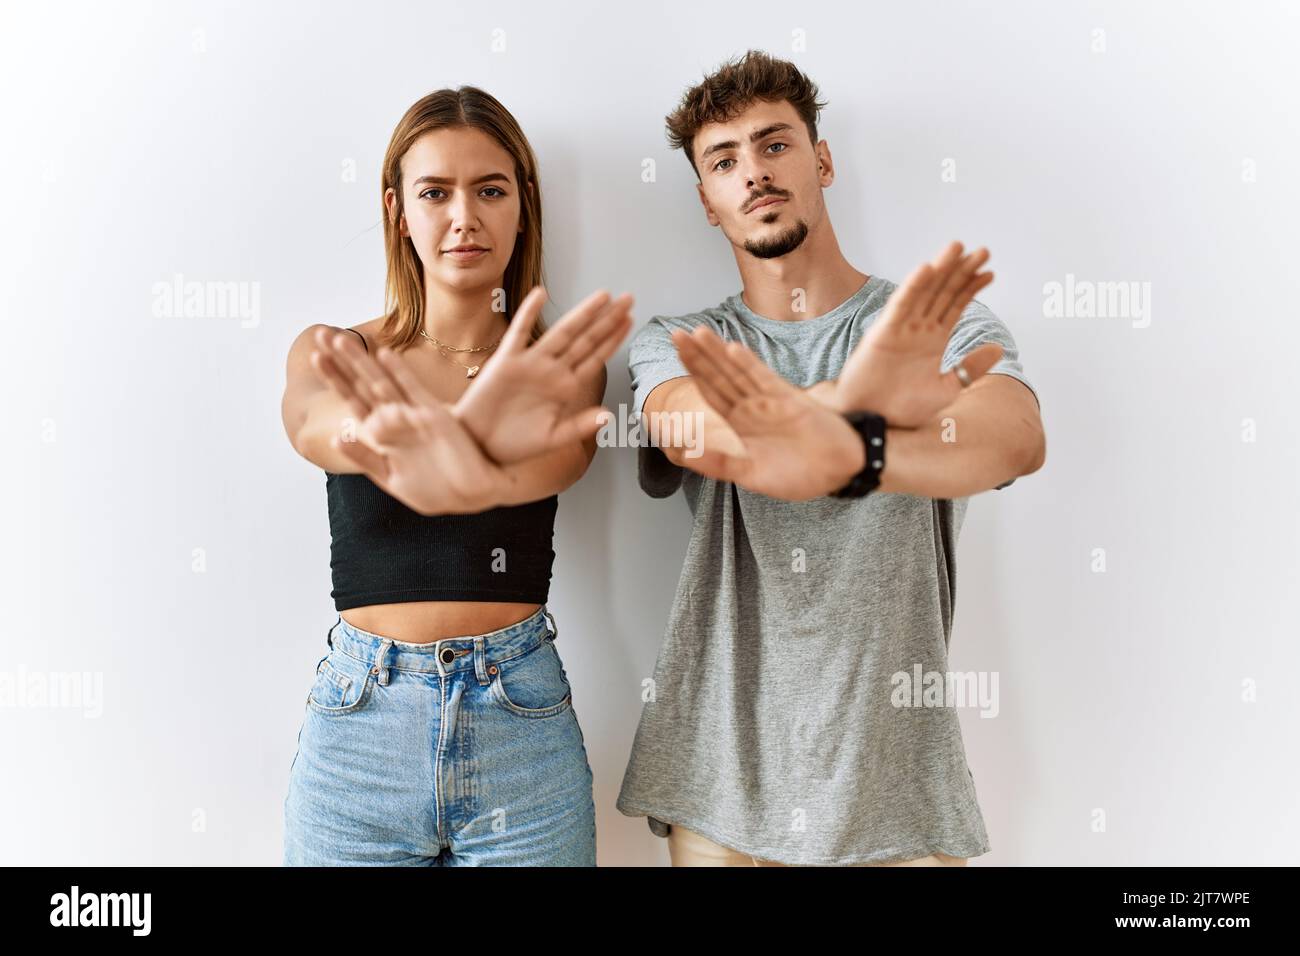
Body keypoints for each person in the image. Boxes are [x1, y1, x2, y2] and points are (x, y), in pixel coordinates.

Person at [616, 50, 1047, 866]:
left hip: (898, 782)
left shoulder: (927, 322)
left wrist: (855, 447)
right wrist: (858, 402)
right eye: (724, 160)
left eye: (774, 144)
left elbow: (1015, 438)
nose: (753, 173)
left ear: (822, 159)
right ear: (707, 202)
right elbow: (691, 430)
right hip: (718, 779)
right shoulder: (678, 342)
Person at [280, 85, 631, 865]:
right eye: (435, 192)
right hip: (360, 733)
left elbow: (558, 459)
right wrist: (381, 436)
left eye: (490, 189)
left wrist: (473, 461)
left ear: (522, 205)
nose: (463, 216)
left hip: (520, 724)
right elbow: (313, 428)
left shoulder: (560, 366)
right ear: (398, 211)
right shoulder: (338, 353)